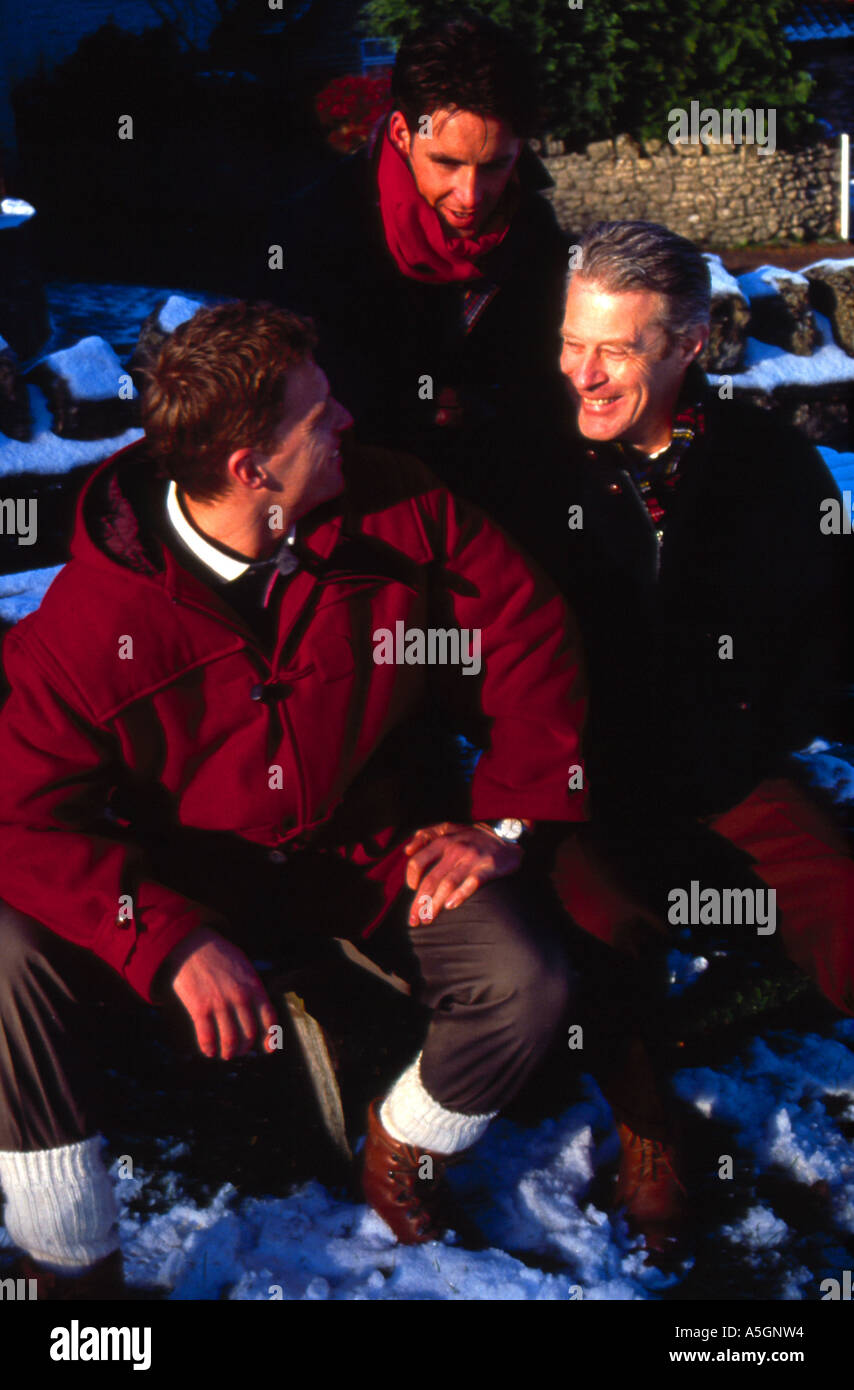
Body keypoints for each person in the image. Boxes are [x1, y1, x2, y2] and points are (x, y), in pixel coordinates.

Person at [0, 300, 588, 1297]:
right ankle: (68, 1264)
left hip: (368, 855)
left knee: (526, 978)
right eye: (322, 416)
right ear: (251, 470)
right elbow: (17, 816)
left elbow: (528, 637)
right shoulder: (86, 628)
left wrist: (505, 820)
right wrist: (164, 936)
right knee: (4, 954)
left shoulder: (399, 504)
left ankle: (401, 1144)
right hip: (185, 883)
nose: (350, 421)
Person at [546, 219, 854, 1254]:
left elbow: (827, 635)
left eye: (617, 350)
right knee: (594, 907)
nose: (584, 375)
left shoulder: (769, 468)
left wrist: (747, 726)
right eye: (570, 343)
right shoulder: (531, 469)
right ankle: (645, 1132)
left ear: (685, 347)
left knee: (836, 890)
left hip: (723, 769)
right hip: (572, 780)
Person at [253, 13, 571, 546]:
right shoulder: (309, 233)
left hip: (508, 522)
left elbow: (549, 388)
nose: (470, 196)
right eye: (446, 162)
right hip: (360, 530)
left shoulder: (537, 234)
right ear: (403, 134)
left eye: (494, 165)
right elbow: (284, 416)